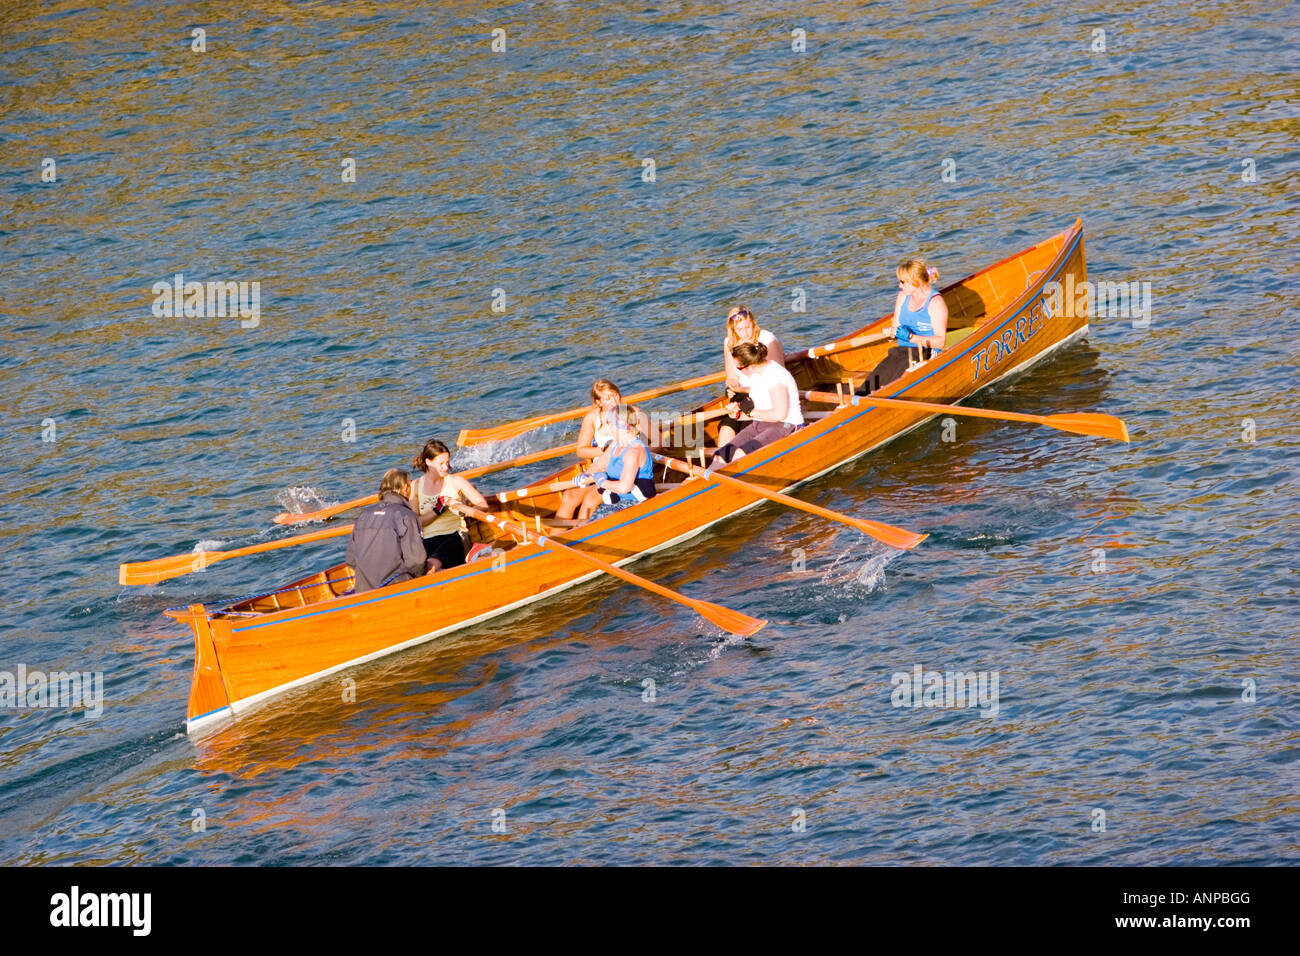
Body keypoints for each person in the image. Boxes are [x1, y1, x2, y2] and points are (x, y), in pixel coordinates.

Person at [556, 379, 646, 520]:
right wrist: (606, 451)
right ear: (599, 402)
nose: (614, 400)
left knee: (590, 499)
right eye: (607, 398)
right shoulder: (592, 417)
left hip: (620, 469)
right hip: (599, 468)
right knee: (569, 495)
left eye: (615, 395)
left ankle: (581, 534)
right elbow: (581, 450)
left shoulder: (631, 413)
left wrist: (642, 454)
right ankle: (556, 536)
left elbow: (656, 441)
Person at [856, 259, 948, 395]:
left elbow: (940, 343)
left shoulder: (936, 302)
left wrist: (910, 337)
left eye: (902, 282)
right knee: (866, 388)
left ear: (915, 282)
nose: (899, 286)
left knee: (895, 388)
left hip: (926, 353)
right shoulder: (902, 297)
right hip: (901, 352)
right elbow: (896, 330)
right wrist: (892, 333)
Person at [710, 341, 804, 470]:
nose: (738, 372)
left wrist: (751, 412)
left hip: (786, 424)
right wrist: (737, 413)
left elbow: (779, 414)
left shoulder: (775, 376)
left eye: (738, 368)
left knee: (740, 455)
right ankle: (705, 484)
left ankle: (726, 487)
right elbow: (754, 413)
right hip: (760, 424)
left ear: (748, 367)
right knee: (721, 455)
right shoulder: (756, 375)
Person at [408, 439, 490, 573]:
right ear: (428, 462)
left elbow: (483, 505)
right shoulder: (415, 486)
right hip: (428, 539)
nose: (446, 467)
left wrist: (465, 511)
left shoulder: (456, 481)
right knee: (414, 568)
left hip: (456, 535)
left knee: (431, 565)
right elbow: (416, 522)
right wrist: (437, 510)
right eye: (441, 464)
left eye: (447, 462)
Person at [345, 468, 427, 592]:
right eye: (411, 484)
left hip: (364, 588)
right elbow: (416, 561)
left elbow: (351, 559)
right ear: (405, 488)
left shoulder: (363, 515)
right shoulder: (407, 516)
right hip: (398, 586)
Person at [566, 409, 657, 520]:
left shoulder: (634, 450)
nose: (605, 426)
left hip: (633, 502)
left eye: (609, 422)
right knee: (587, 524)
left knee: (590, 528)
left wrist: (602, 482)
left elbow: (624, 488)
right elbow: (599, 465)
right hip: (616, 498)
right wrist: (586, 475)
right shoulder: (616, 443)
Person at [718, 307, 786, 449]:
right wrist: (730, 388)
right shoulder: (729, 342)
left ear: (753, 323)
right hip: (742, 392)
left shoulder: (767, 339)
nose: (745, 333)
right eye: (740, 329)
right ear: (732, 330)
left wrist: (752, 392)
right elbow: (731, 376)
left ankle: (742, 456)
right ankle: (720, 458)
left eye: (747, 327)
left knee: (746, 424)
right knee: (728, 422)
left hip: (766, 393)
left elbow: (778, 375)